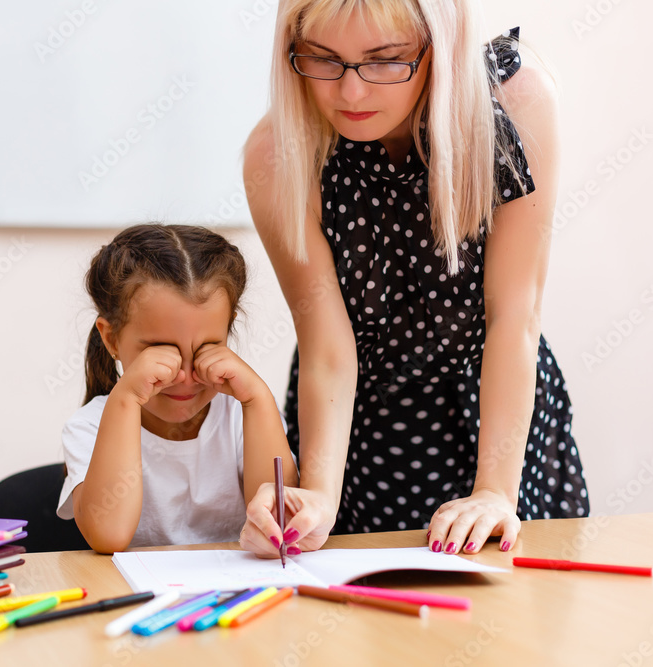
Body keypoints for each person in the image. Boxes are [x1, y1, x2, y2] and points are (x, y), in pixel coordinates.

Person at [239, 0, 589, 558]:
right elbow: (328, 349)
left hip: (496, 412)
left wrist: (495, 490)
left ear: (439, 45)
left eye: (385, 60)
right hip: (360, 430)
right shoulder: (276, 156)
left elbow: (514, 315)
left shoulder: (515, 103)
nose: (351, 93)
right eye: (324, 60)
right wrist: (322, 497)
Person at [57, 223, 299, 554]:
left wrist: (258, 398)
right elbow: (108, 535)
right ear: (111, 338)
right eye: (160, 350)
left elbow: (281, 521)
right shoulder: (88, 427)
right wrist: (126, 397)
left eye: (207, 348)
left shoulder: (244, 416)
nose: (184, 376)